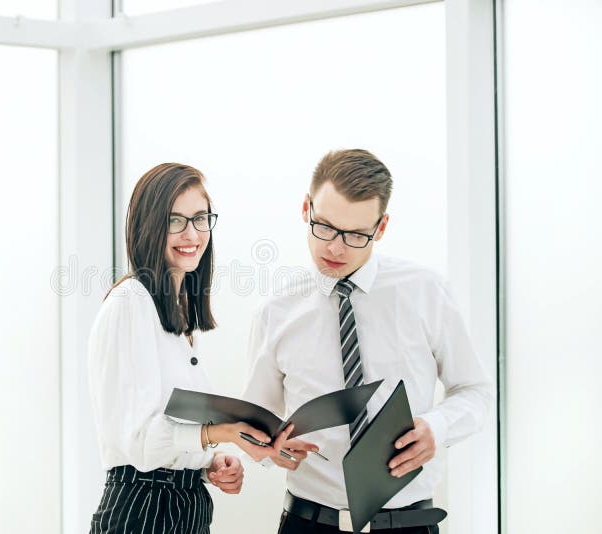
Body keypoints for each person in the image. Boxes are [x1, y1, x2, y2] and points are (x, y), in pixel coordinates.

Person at [242, 149, 491, 534]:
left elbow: (475, 392)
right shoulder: (276, 310)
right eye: (323, 226)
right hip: (308, 523)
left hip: (407, 522)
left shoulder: (426, 291)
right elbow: (255, 424)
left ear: (382, 227)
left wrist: (436, 427)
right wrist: (271, 450)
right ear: (306, 208)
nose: (336, 248)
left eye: (356, 235)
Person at [87, 162, 315, 534]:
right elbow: (138, 440)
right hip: (143, 509)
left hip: (184, 507)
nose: (191, 233)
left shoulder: (177, 315)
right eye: (174, 220)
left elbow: (169, 436)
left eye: (200, 218)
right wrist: (223, 432)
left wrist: (209, 464)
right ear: (149, 225)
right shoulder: (131, 303)